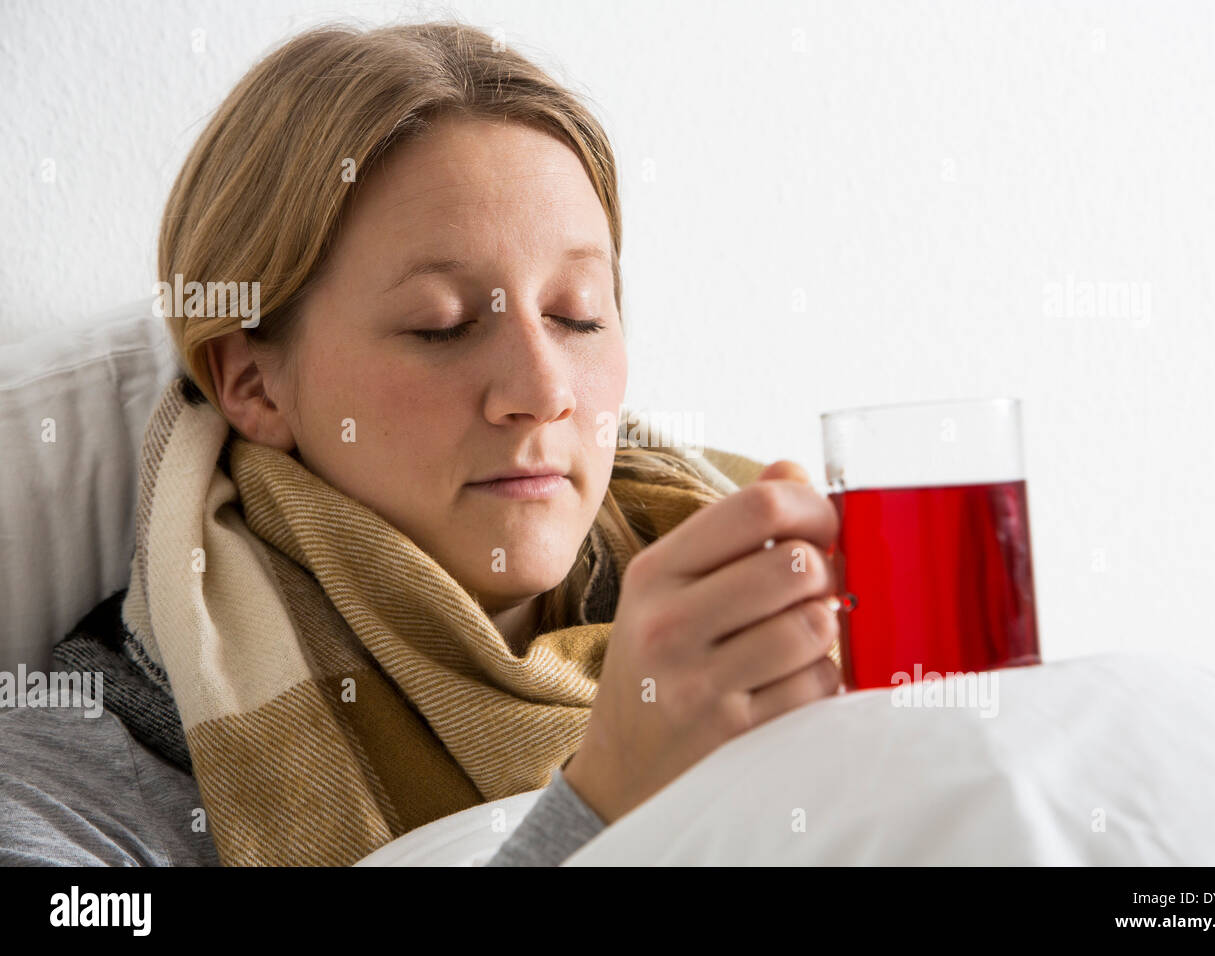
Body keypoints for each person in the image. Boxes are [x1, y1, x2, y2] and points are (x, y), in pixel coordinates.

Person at [0, 18, 842, 867]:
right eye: (443, 325)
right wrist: (601, 808)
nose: (545, 392)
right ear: (252, 383)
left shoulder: (800, 633)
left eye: (578, 313)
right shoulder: (79, 790)